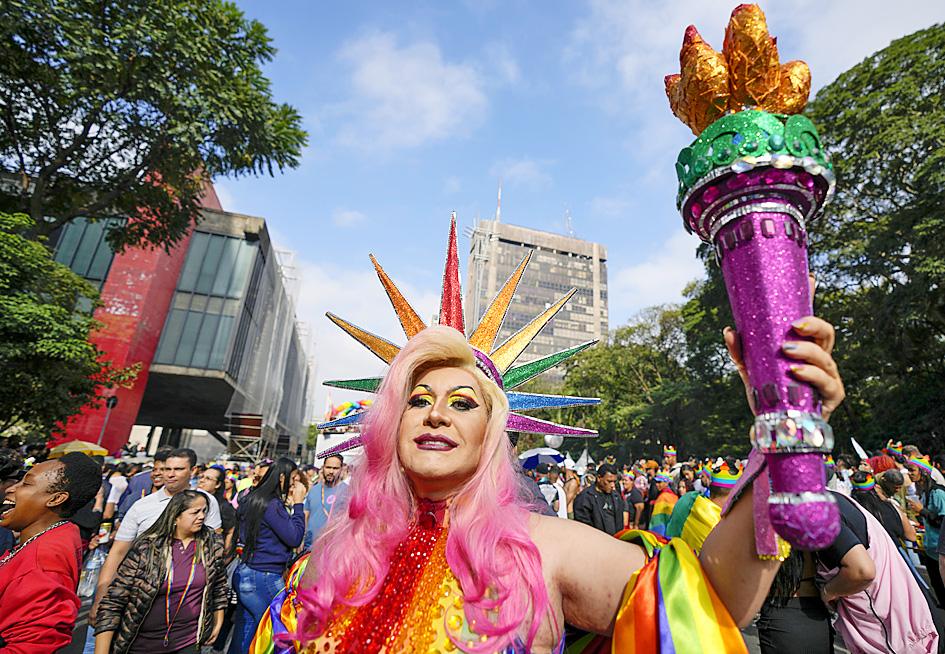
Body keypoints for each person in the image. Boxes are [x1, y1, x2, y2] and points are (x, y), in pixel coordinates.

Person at [91, 448, 222, 625]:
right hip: (140, 598)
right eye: (167, 469)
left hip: (185, 602)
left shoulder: (206, 502)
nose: (171, 475)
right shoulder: (142, 506)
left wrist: (214, 609)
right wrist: (100, 599)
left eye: (178, 469)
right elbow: (118, 553)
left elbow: (213, 552)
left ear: (193, 471)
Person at [94, 491, 229, 653]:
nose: (201, 516)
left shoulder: (211, 543)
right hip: (142, 643)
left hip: (188, 640)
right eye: (195, 512)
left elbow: (219, 584)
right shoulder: (148, 548)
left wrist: (218, 620)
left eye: (204, 511)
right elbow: (114, 601)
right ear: (175, 516)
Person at [0, 453, 101, 651]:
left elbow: (34, 644)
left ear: (56, 499)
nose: (12, 488)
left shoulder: (45, 559)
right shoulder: (49, 539)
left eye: (26, 484)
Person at [230, 457, 306, 654]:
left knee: (245, 632)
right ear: (282, 478)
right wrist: (298, 504)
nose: (295, 485)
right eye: (294, 479)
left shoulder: (253, 497)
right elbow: (294, 537)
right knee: (278, 629)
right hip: (264, 575)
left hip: (247, 570)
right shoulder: (272, 505)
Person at [906, 455, 945, 607]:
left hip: (940, 552)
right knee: (938, 589)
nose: (909, 473)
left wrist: (922, 511)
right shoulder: (924, 492)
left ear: (922, 472)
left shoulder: (938, 493)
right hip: (930, 550)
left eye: (912, 470)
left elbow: (942, 522)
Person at [303, 454, 348, 549]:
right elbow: (306, 515)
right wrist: (302, 539)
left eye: (335, 468)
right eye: (328, 467)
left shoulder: (348, 491)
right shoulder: (314, 490)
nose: (331, 471)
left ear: (341, 469)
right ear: (323, 468)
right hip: (309, 548)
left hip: (332, 548)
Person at [116, 448, 171, 521]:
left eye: (163, 470)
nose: (156, 473)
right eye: (154, 470)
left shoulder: (175, 499)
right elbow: (120, 517)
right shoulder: (137, 495)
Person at [572, 462, 628, 535]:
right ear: (599, 478)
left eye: (614, 481)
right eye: (609, 481)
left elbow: (620, 522)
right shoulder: (585, 497)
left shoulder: (616, 496)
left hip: (615, 541)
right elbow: (583, 526)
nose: (612, 485)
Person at [198, 465, 237, 559]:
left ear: (218, 484)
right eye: (202, 477)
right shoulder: (193, 499)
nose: (202, 480)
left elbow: (231, 531)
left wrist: (224, 555)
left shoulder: (223, 506)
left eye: (208, 478)